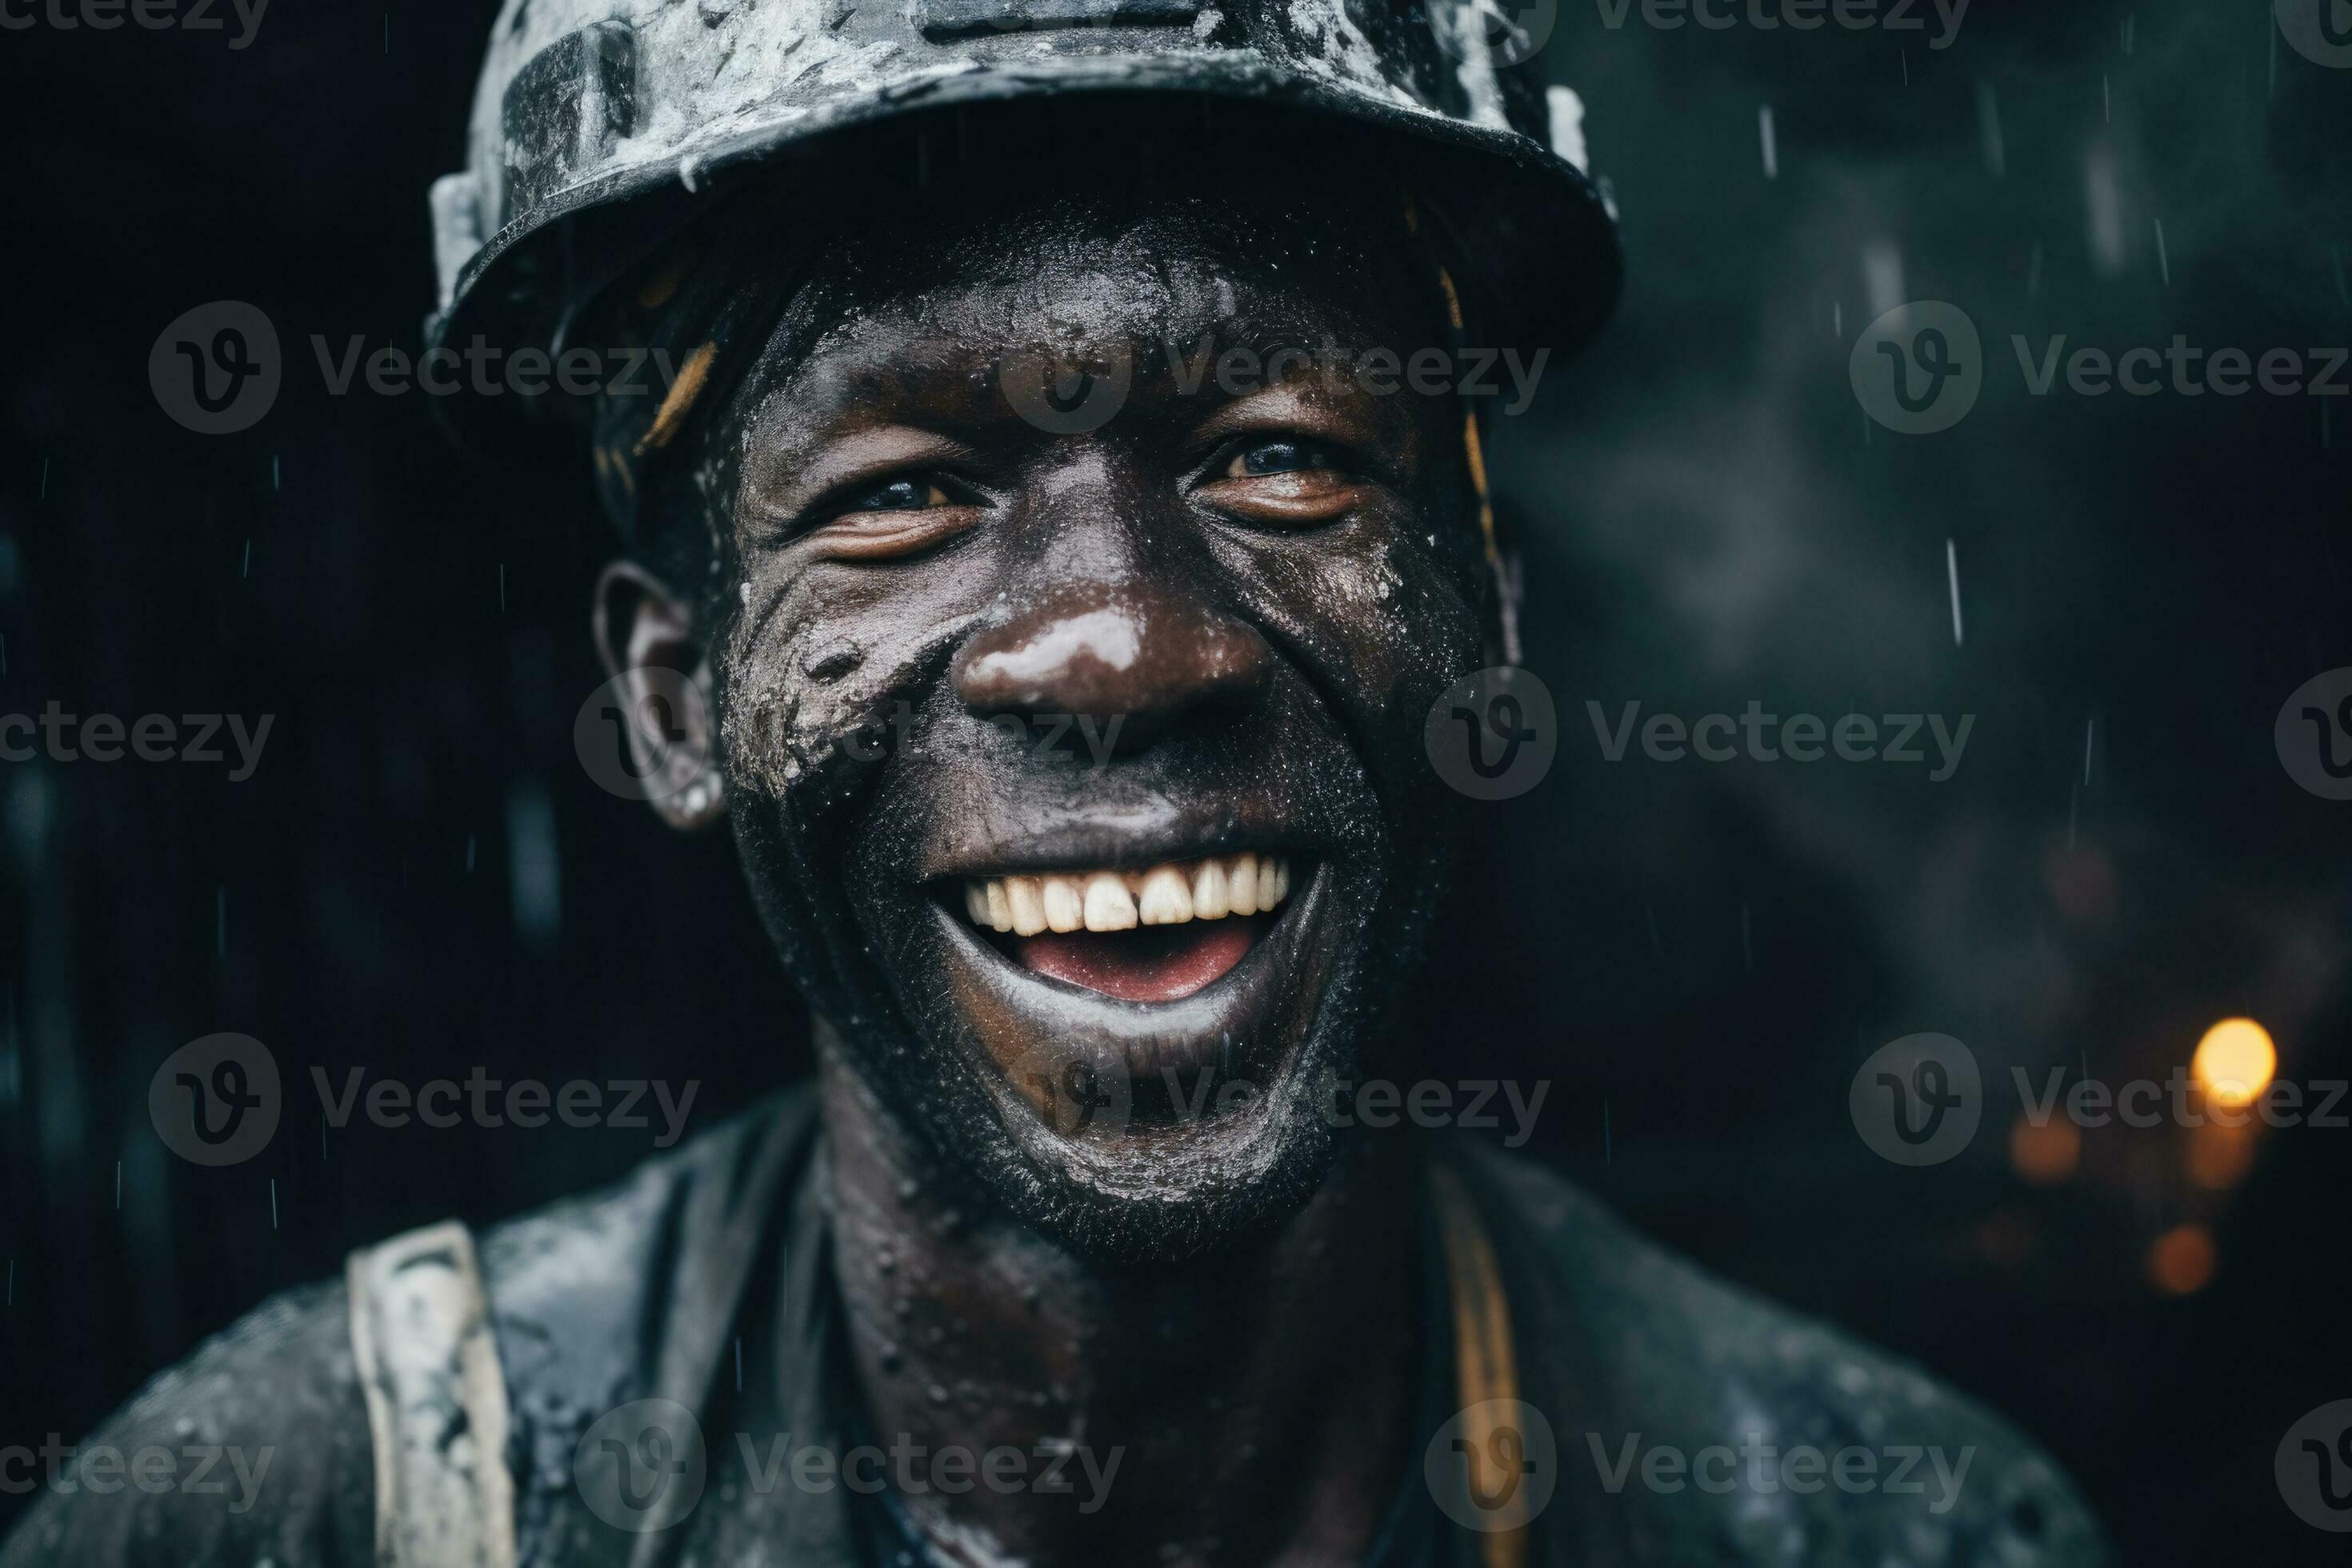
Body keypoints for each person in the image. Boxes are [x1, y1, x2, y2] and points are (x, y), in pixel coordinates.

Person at [3, 1, 2105, 1562]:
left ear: (1488, 621)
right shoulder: (309, 1516)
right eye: (905, 490)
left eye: (1276, 456)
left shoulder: (1873, 1526)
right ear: (673, 701)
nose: (1125, 643)